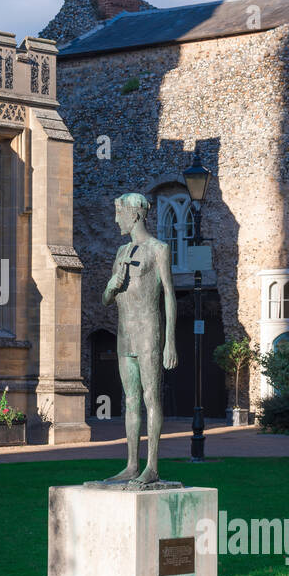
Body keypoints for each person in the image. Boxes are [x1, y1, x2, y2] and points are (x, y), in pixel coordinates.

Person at [101, 193, 177, 485]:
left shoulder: (158, 249)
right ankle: (132, 464)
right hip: (125, 330)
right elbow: (106, 298)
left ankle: (152, 466)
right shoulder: (121, 252)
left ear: (134, 214)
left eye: (119, 213)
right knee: (130, 399)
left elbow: (169, 295)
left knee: (150, 397)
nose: (115, 219)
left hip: (148, 329)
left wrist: (170, 340)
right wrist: (112, 284)